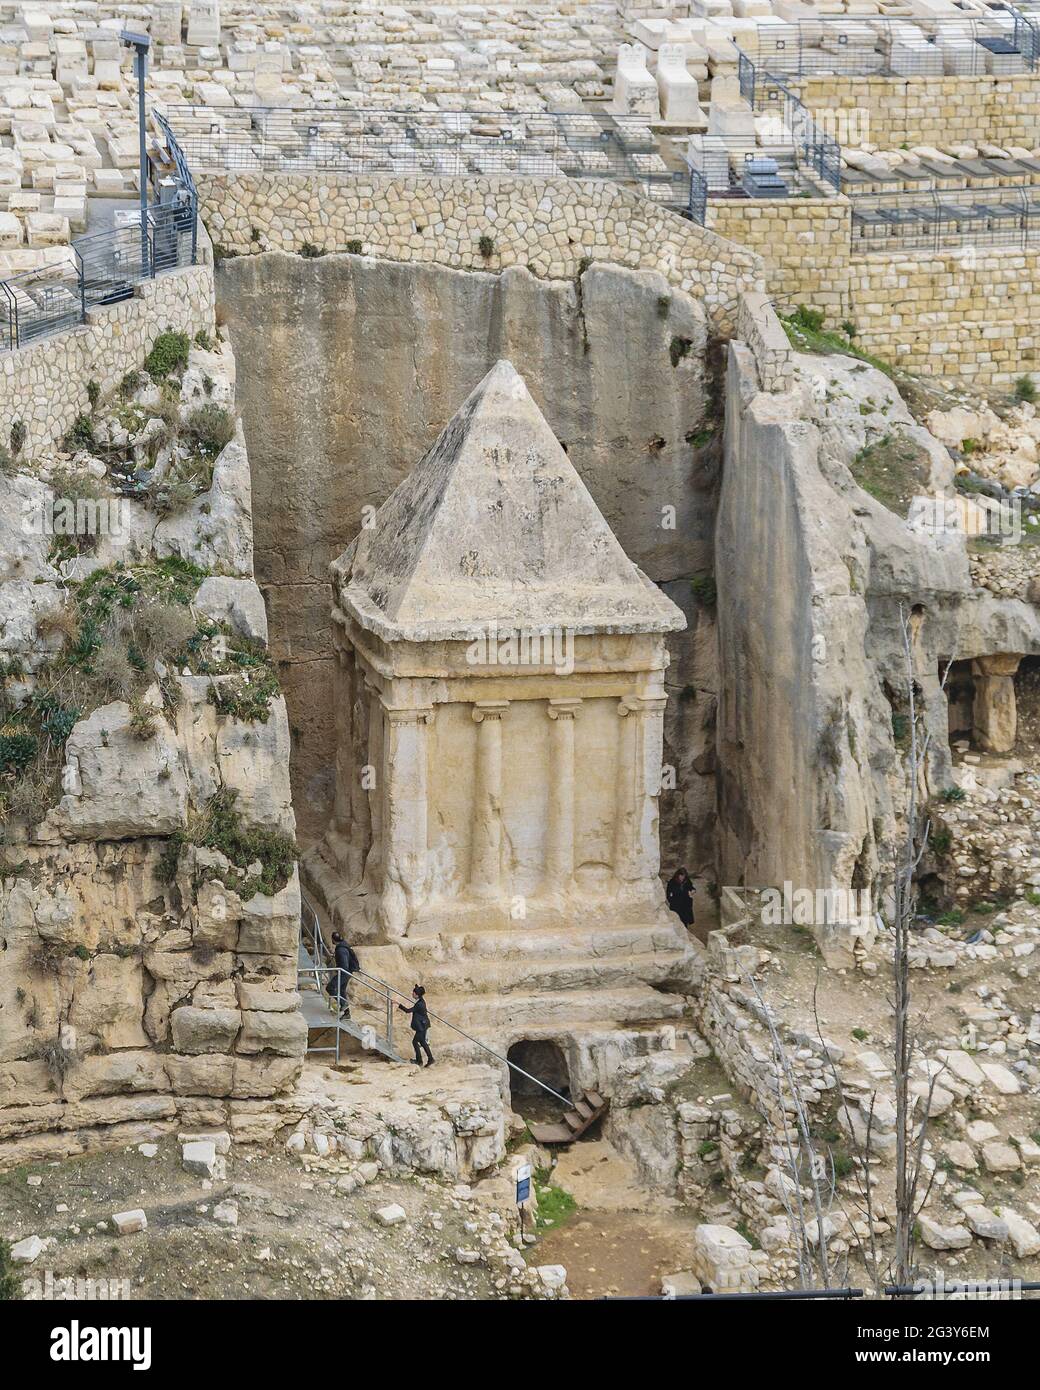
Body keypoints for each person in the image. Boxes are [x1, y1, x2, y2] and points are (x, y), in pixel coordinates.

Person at [398, 984, 434, 1067]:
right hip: (423, 1025)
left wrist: (398, 1004)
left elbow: (408, 1011)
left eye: (413, 993)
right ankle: (430, 1059)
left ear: (417, 995)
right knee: (422, 1042)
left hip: (421, 1027)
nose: (412, 994)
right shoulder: (420, 1001)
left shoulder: (419, 1004)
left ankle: (419, 1061)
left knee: (415, 1042)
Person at [330, 932, 360, 1019]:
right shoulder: (344, 945)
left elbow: (344, 965)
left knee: (330, 988)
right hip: (347, 972)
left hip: (344, 972)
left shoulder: (341, 950)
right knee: (341, 990)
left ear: (333, 940)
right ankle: (347, 1014)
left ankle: (344, 1004)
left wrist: (338, 969)